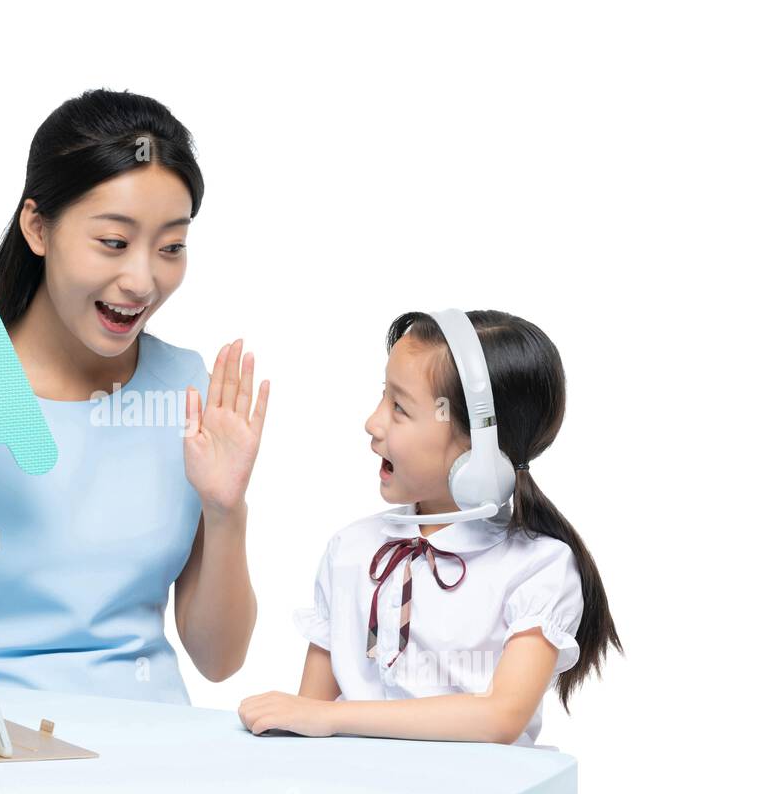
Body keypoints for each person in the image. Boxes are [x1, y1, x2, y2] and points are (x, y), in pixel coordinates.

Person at [0, 88, 270, 711]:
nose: (143, 280)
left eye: (171, 246)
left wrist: (226, 511)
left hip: (154, 753)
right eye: (114, 243)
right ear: (37, 227)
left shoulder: (187, 392)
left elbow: (219, 659)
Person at [239, 310, 620, 747]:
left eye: (399, 408)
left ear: (478, 449)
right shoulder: (350, 550)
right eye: (384, 397)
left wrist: (333, 716)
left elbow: (500, 718)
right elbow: (307, 717)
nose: (373, 422)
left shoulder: (539, 567)